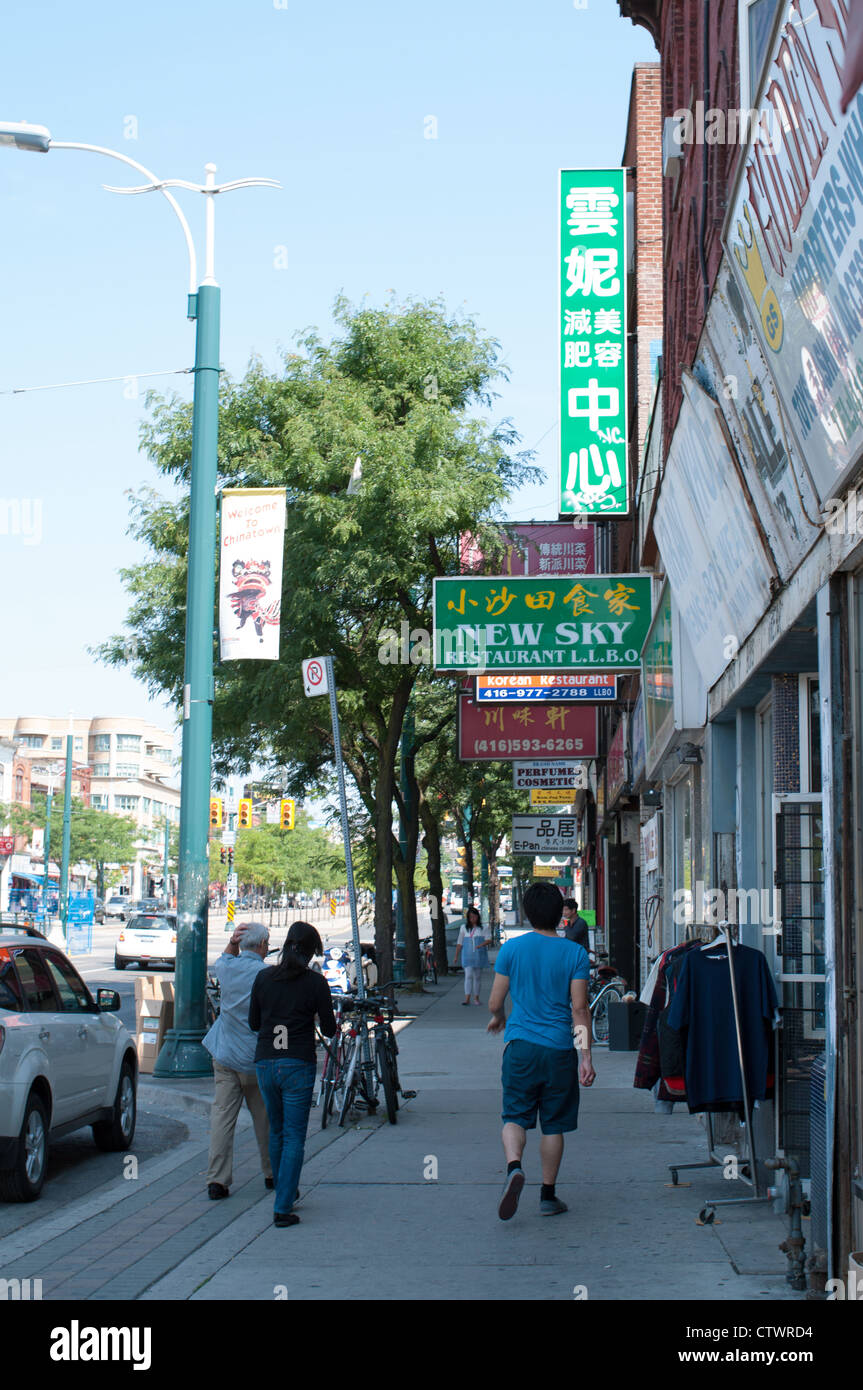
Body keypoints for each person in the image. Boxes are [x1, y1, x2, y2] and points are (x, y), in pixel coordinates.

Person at [487, 880, 594, 1221]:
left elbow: (494, 1001)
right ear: (561, 914)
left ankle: (514, 1168)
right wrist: (586, 1055)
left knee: (514, 1116)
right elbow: (579, 1009)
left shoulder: (511, 950)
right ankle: (548, 1195)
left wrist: (498, 1017)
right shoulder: (575, 954)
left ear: (529, 912)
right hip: (559, 1050)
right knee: (553, 1124)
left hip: (520, 1048)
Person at [249, 920, 337, 1227]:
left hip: (265, 1062)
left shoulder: (263, 977)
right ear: (312, 952)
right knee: (295, 1137)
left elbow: (254, 1023)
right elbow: (328, 1028)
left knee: (277, 1129)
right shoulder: (315, 983)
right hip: (297, 1062)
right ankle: (283, 1207)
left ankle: (283, 1185)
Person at [202, 922, 273, 1201]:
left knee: (222, 1117)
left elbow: (225, 957)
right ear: (263, 944)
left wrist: (233, 941)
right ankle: (271, 1173)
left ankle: (217, 1180)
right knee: (264, 1118)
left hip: (225, 1053)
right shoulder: (267, 975)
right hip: (255, 1057)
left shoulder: (226, 969)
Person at [454, 905, 490, 1006]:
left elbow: (488, 939)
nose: (472, 919)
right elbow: (459, 942)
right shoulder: (463, 928)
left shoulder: (483, 928)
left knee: (477, 976)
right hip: (467, 955)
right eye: (470, 917)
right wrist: (456, 955)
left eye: (474, 916)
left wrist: (481, 945)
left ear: (478, 917)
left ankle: (476, 998)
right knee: (468, 975)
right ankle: (467, 998)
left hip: (479, 955)